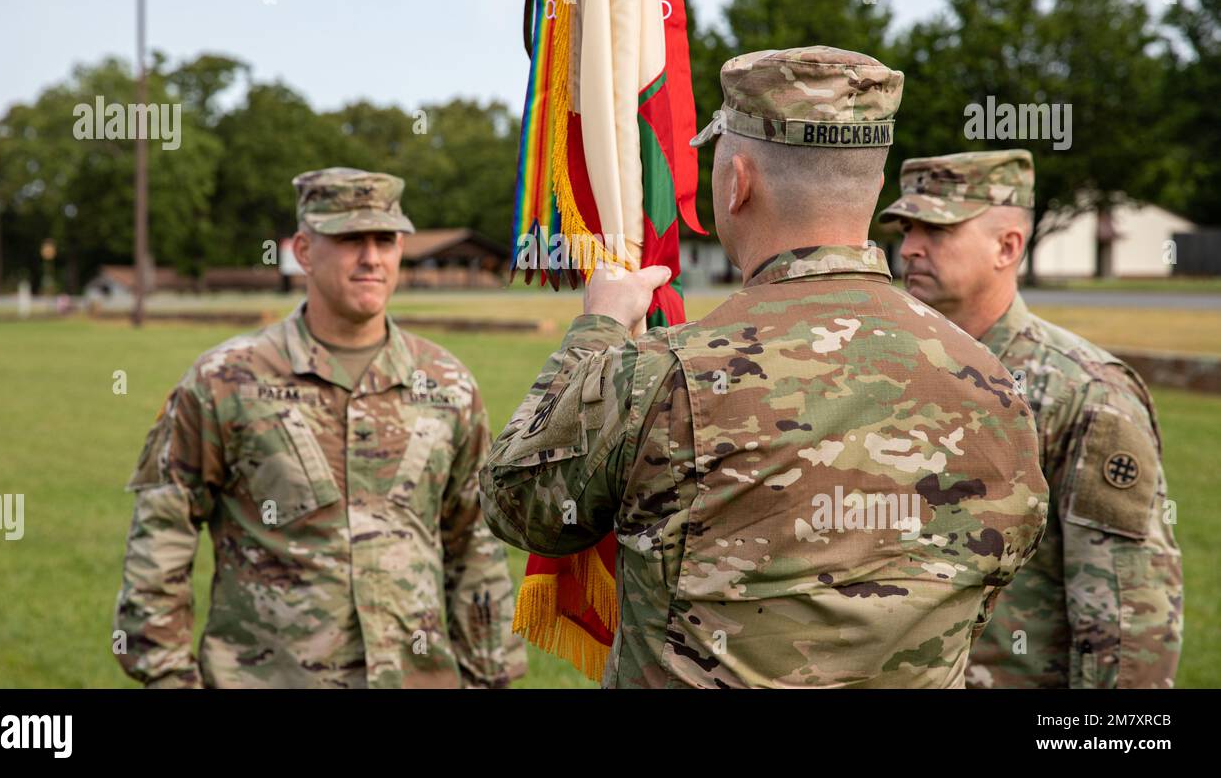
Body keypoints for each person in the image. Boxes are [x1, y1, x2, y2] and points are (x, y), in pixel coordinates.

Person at [480, 47, 1049, 688]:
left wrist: (599, 330)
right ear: (873, 187)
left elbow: (516, 503)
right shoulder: (995, 386)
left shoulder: (661, 375)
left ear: (737, 182)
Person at [114, 167, 525, 688]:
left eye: (386, 240)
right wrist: (169, 676)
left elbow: (475, 544)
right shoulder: (226, 380)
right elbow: (161, 535)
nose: (371, 258)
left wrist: (488, 677)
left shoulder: (447, 385)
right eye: (351, 239)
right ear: (305, 251)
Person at [881, 148, 1183, 688]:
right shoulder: (894, 373)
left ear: (1007, 246)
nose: (909, 249)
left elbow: (1127, 619)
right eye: (907, 229)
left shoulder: (1084, 393)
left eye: (936, 230)